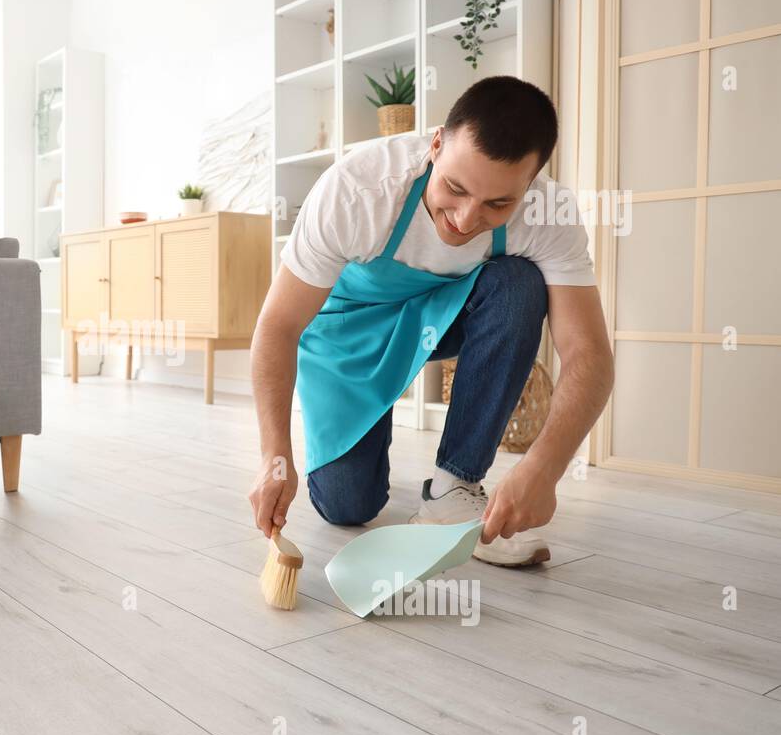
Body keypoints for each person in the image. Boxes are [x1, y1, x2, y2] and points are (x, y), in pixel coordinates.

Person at [247, 76, 614, 566]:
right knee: (347, 506)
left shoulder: (551, 213)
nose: (464, 218)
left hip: (444, 317)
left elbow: (588, 352)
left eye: (497, 204)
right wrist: (275, 457)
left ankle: (452, 492)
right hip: (348, 331)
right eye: (455, 188)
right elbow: (277, 326)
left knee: (519, 283)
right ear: (436, 144)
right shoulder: (358, 189)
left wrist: (545, 468)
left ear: (532, 183)